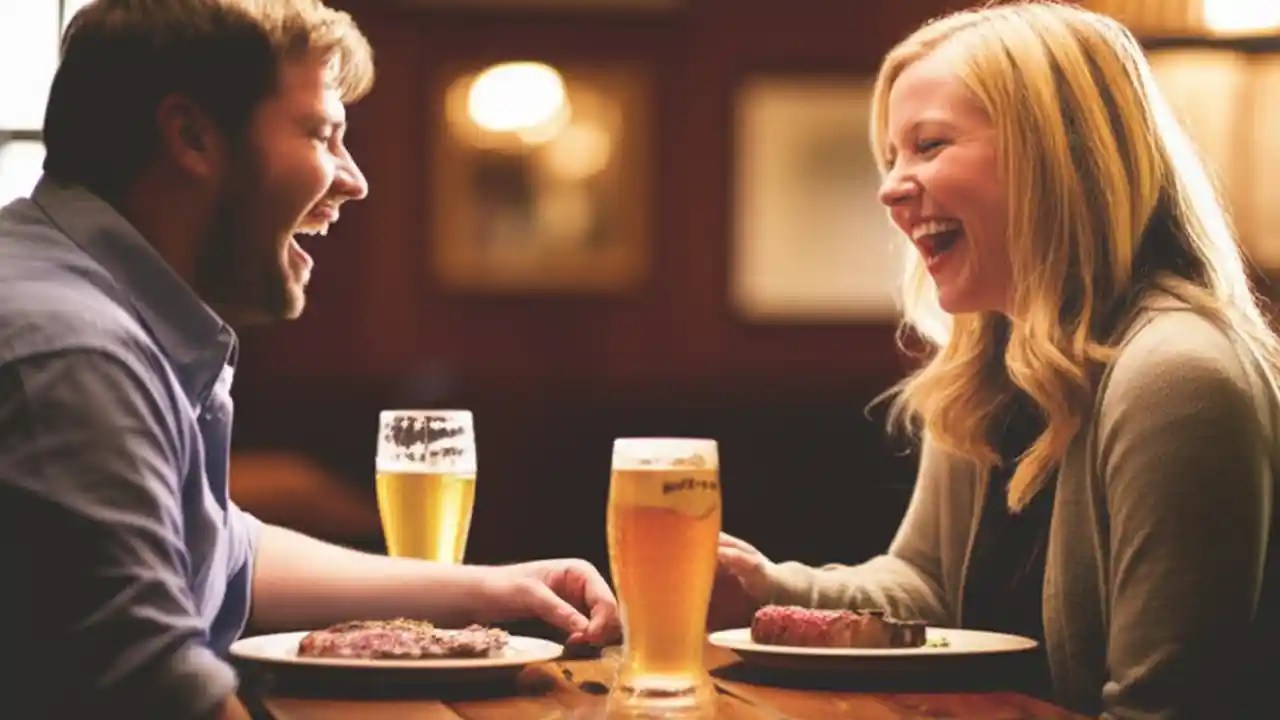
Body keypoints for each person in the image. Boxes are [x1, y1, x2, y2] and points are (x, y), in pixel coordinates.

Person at [0, 1, 618, 718]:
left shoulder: (102, 306)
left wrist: (499, 589)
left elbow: (227, 552)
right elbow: (157, 694)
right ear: (193, 136)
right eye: (324, 134)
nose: (353, 181)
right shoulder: (71, 349)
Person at [710, 2, 1279, 717]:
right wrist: (765, 588)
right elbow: (928, 592)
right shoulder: (993, 357)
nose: (890, 188)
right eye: (891, 158)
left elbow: (1170, 708)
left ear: (1057, 154)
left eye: (930, 145)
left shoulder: (1178, 377)